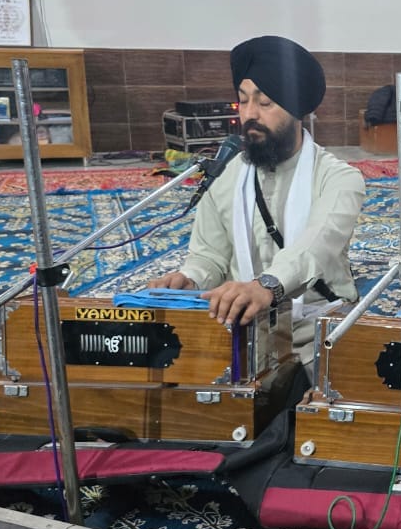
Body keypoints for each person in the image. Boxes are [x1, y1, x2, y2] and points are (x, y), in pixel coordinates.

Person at [149, 35, 366, 366]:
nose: (250, 114)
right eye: (243, 100)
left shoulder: (338, 179)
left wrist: (266, 287)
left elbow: (313, 248)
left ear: (295, 109)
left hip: (321, 330)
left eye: (265, 103)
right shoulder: (226, 176)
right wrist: (190, 278)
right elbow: (209, 256)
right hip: (243, 329)